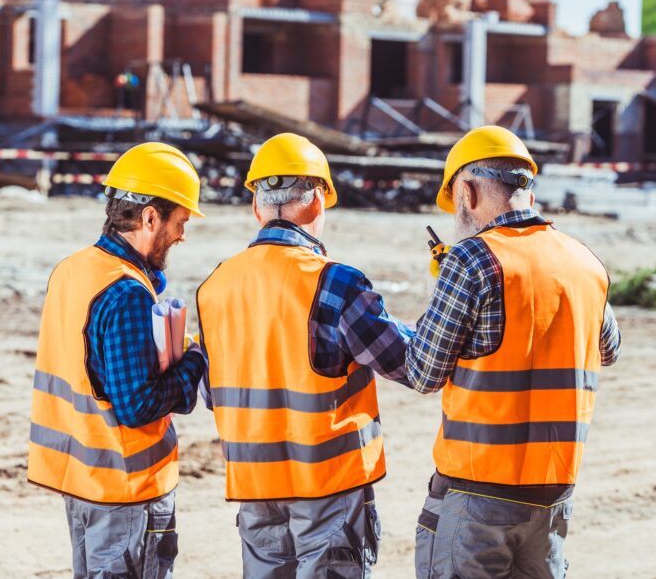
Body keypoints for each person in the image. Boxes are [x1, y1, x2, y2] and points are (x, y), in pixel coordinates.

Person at [406, 126, 622, 579]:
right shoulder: (584, 261)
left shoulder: (471, 260)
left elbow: (423, 371)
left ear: (466, 190)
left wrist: (446, 285)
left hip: (478, 493)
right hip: (553, 495)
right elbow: (608, 348)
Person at [196, 133, 412, 578]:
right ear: (317, 201)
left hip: (255, 486)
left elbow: (212, 393)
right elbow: (404, 361)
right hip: (327, 486)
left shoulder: (214, 287)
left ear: (256, 206)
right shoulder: (335, 282)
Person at [27, 142, 207, 579]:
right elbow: (138, 405)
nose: (182, 234)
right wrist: (195, 360)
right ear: (150, 218)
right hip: (126, 492)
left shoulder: (73, 269)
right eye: (180, 221)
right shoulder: (126, 293)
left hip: (82, 483)